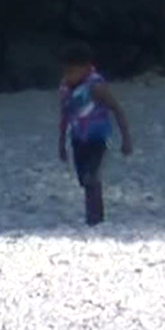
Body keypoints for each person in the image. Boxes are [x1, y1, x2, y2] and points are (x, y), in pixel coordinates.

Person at [57, 42, 133, 226]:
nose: (67, 75)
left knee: (92, 176)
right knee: (83, 178)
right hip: (77, 139)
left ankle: (95, 218)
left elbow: (117, 109)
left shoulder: (96, 87)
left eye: (71, 71)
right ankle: (91, 213)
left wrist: (126, 138)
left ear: (84, 68)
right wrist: (61, 143)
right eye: (65, 71)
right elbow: (65, 115)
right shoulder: (66, 88)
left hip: (97, 139)